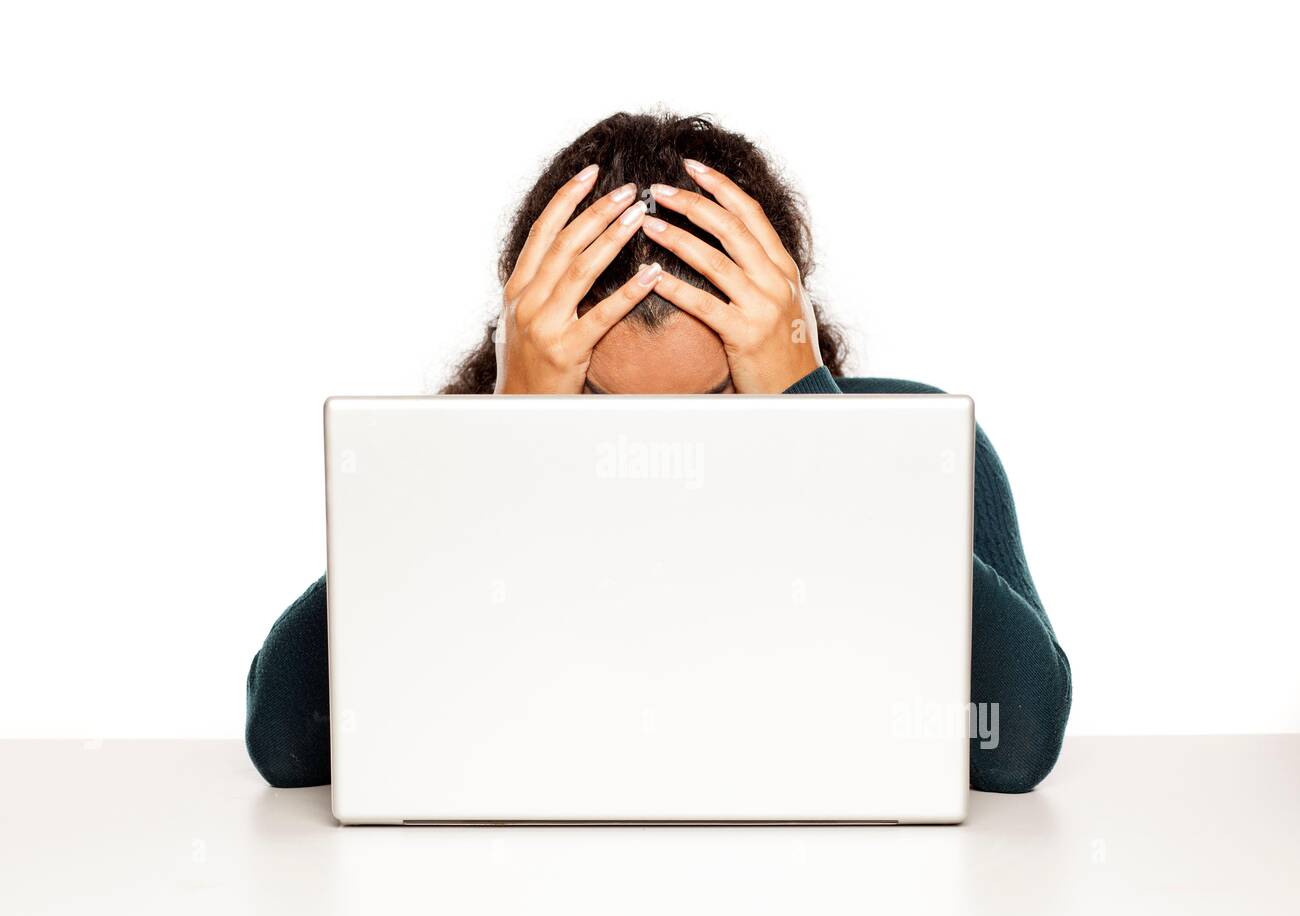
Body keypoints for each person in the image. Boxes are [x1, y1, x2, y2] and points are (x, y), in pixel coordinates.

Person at [246, 112, 1072, 795]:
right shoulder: (464, 483)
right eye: (600, 411)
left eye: (717, 407)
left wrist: (815, 421)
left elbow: (1017, 736)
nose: (658, 460)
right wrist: (505, 435)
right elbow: (288, 738)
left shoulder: (908, 447)